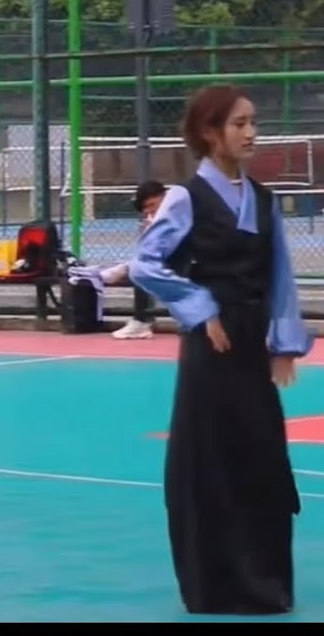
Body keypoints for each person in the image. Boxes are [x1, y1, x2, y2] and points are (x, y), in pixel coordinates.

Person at [129, 84, 314, 615]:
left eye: (254, 122)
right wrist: (199, 307)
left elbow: (279, 273)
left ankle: (262, 581)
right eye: (239, 124)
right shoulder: (187, 197)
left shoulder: (263, 198)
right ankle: (215, 583)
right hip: (212, 345)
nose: (251, 132)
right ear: (211, 133)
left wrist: (284, 343)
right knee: (210, 457)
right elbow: (147, 263)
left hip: (254, 342)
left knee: (260, 455)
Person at [100, 179, 167, 339]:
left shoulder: (180, 212)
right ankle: (141, 320)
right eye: (147, 208)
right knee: (140, 267)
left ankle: (141, 321)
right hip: (168, 261)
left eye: (153, 205)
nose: (151, 210)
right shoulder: (155, 219)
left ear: (164, 197)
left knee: (141, 268)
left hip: (193, 260)